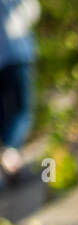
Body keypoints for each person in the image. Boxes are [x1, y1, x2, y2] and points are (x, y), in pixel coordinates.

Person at [0, 0, 37, 185]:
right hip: (16, 55)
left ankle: (12, 167)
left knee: (5, 116)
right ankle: (11, 153)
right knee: (22, 111)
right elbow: (30, 11)